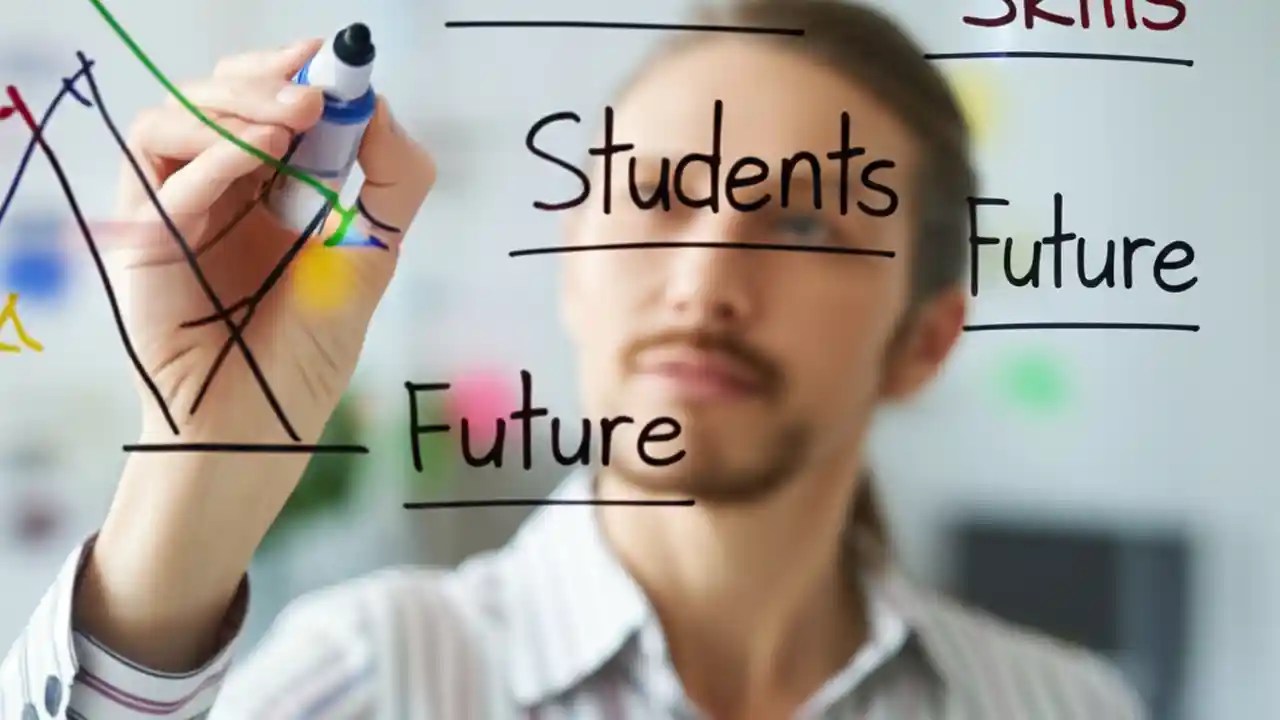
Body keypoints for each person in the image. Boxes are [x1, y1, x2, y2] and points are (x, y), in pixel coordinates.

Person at [2, 1, 1149, 718]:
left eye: (803, 224)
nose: (701, 280)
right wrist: (197, 467)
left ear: (924, 340)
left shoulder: (1064, 704)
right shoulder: (370, 678)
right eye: (651, 198)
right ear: (572, 270)